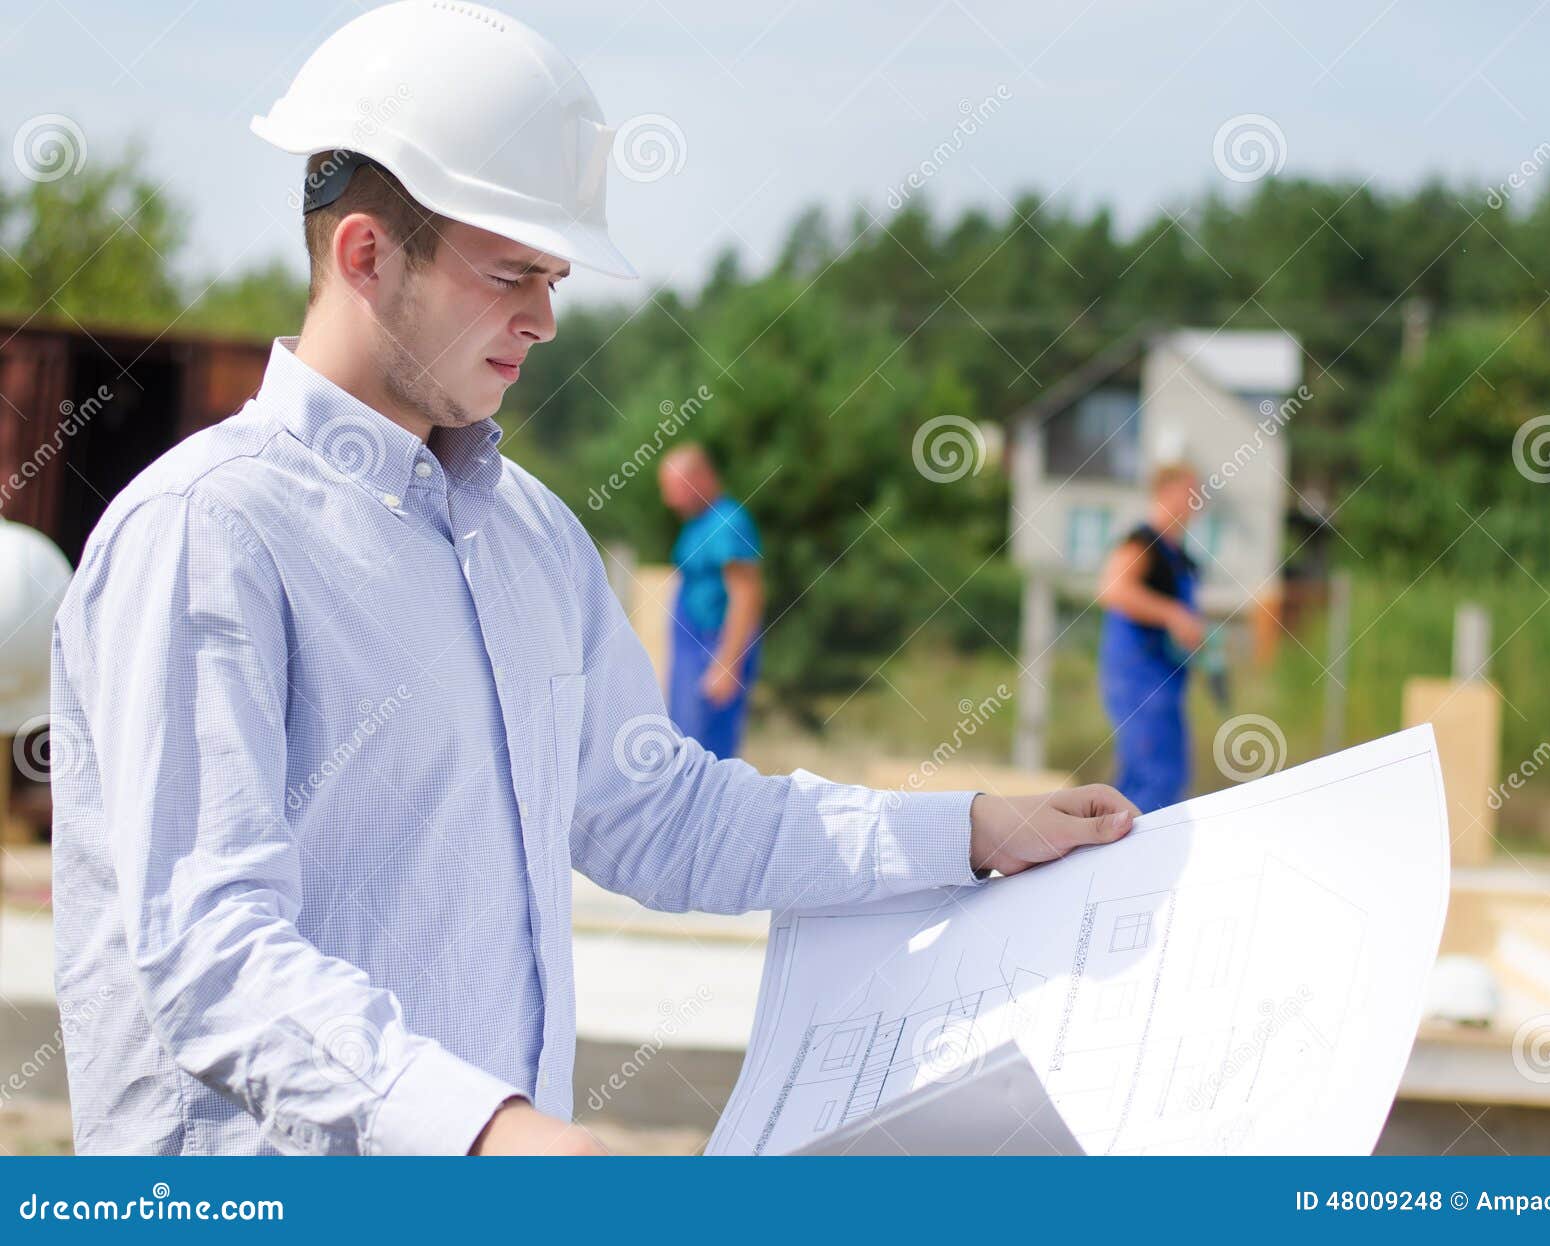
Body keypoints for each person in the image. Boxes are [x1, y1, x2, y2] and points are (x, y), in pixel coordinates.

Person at [49, 2, 1139, 1158]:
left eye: (555, 277)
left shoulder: (529, 536)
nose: (545, 320)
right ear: (366, 254)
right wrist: (487, 1129)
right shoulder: (207, 533)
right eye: (512, 273)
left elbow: (661, 814)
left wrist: (967, 829)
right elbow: (210, 951)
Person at [1096, 463, 1208, 814]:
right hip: (1139, 680)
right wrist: (1174, 615)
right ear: (1165, 492)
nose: (1198, 501)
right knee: (1153, 779)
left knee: (1163, 777)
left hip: (1166, 682)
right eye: (1190, 491)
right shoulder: (1144, 543)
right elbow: (1113, 588)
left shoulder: (1180, 558)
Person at [657, 445, 763, 758]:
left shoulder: (727, 522)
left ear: (702, 478)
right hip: (691, 650)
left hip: (714, 648)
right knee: (683, 748)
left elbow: (747, 595)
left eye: (675, 489)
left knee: (707, 757)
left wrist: (727, 664)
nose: (669, 501)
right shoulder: (696, 523)